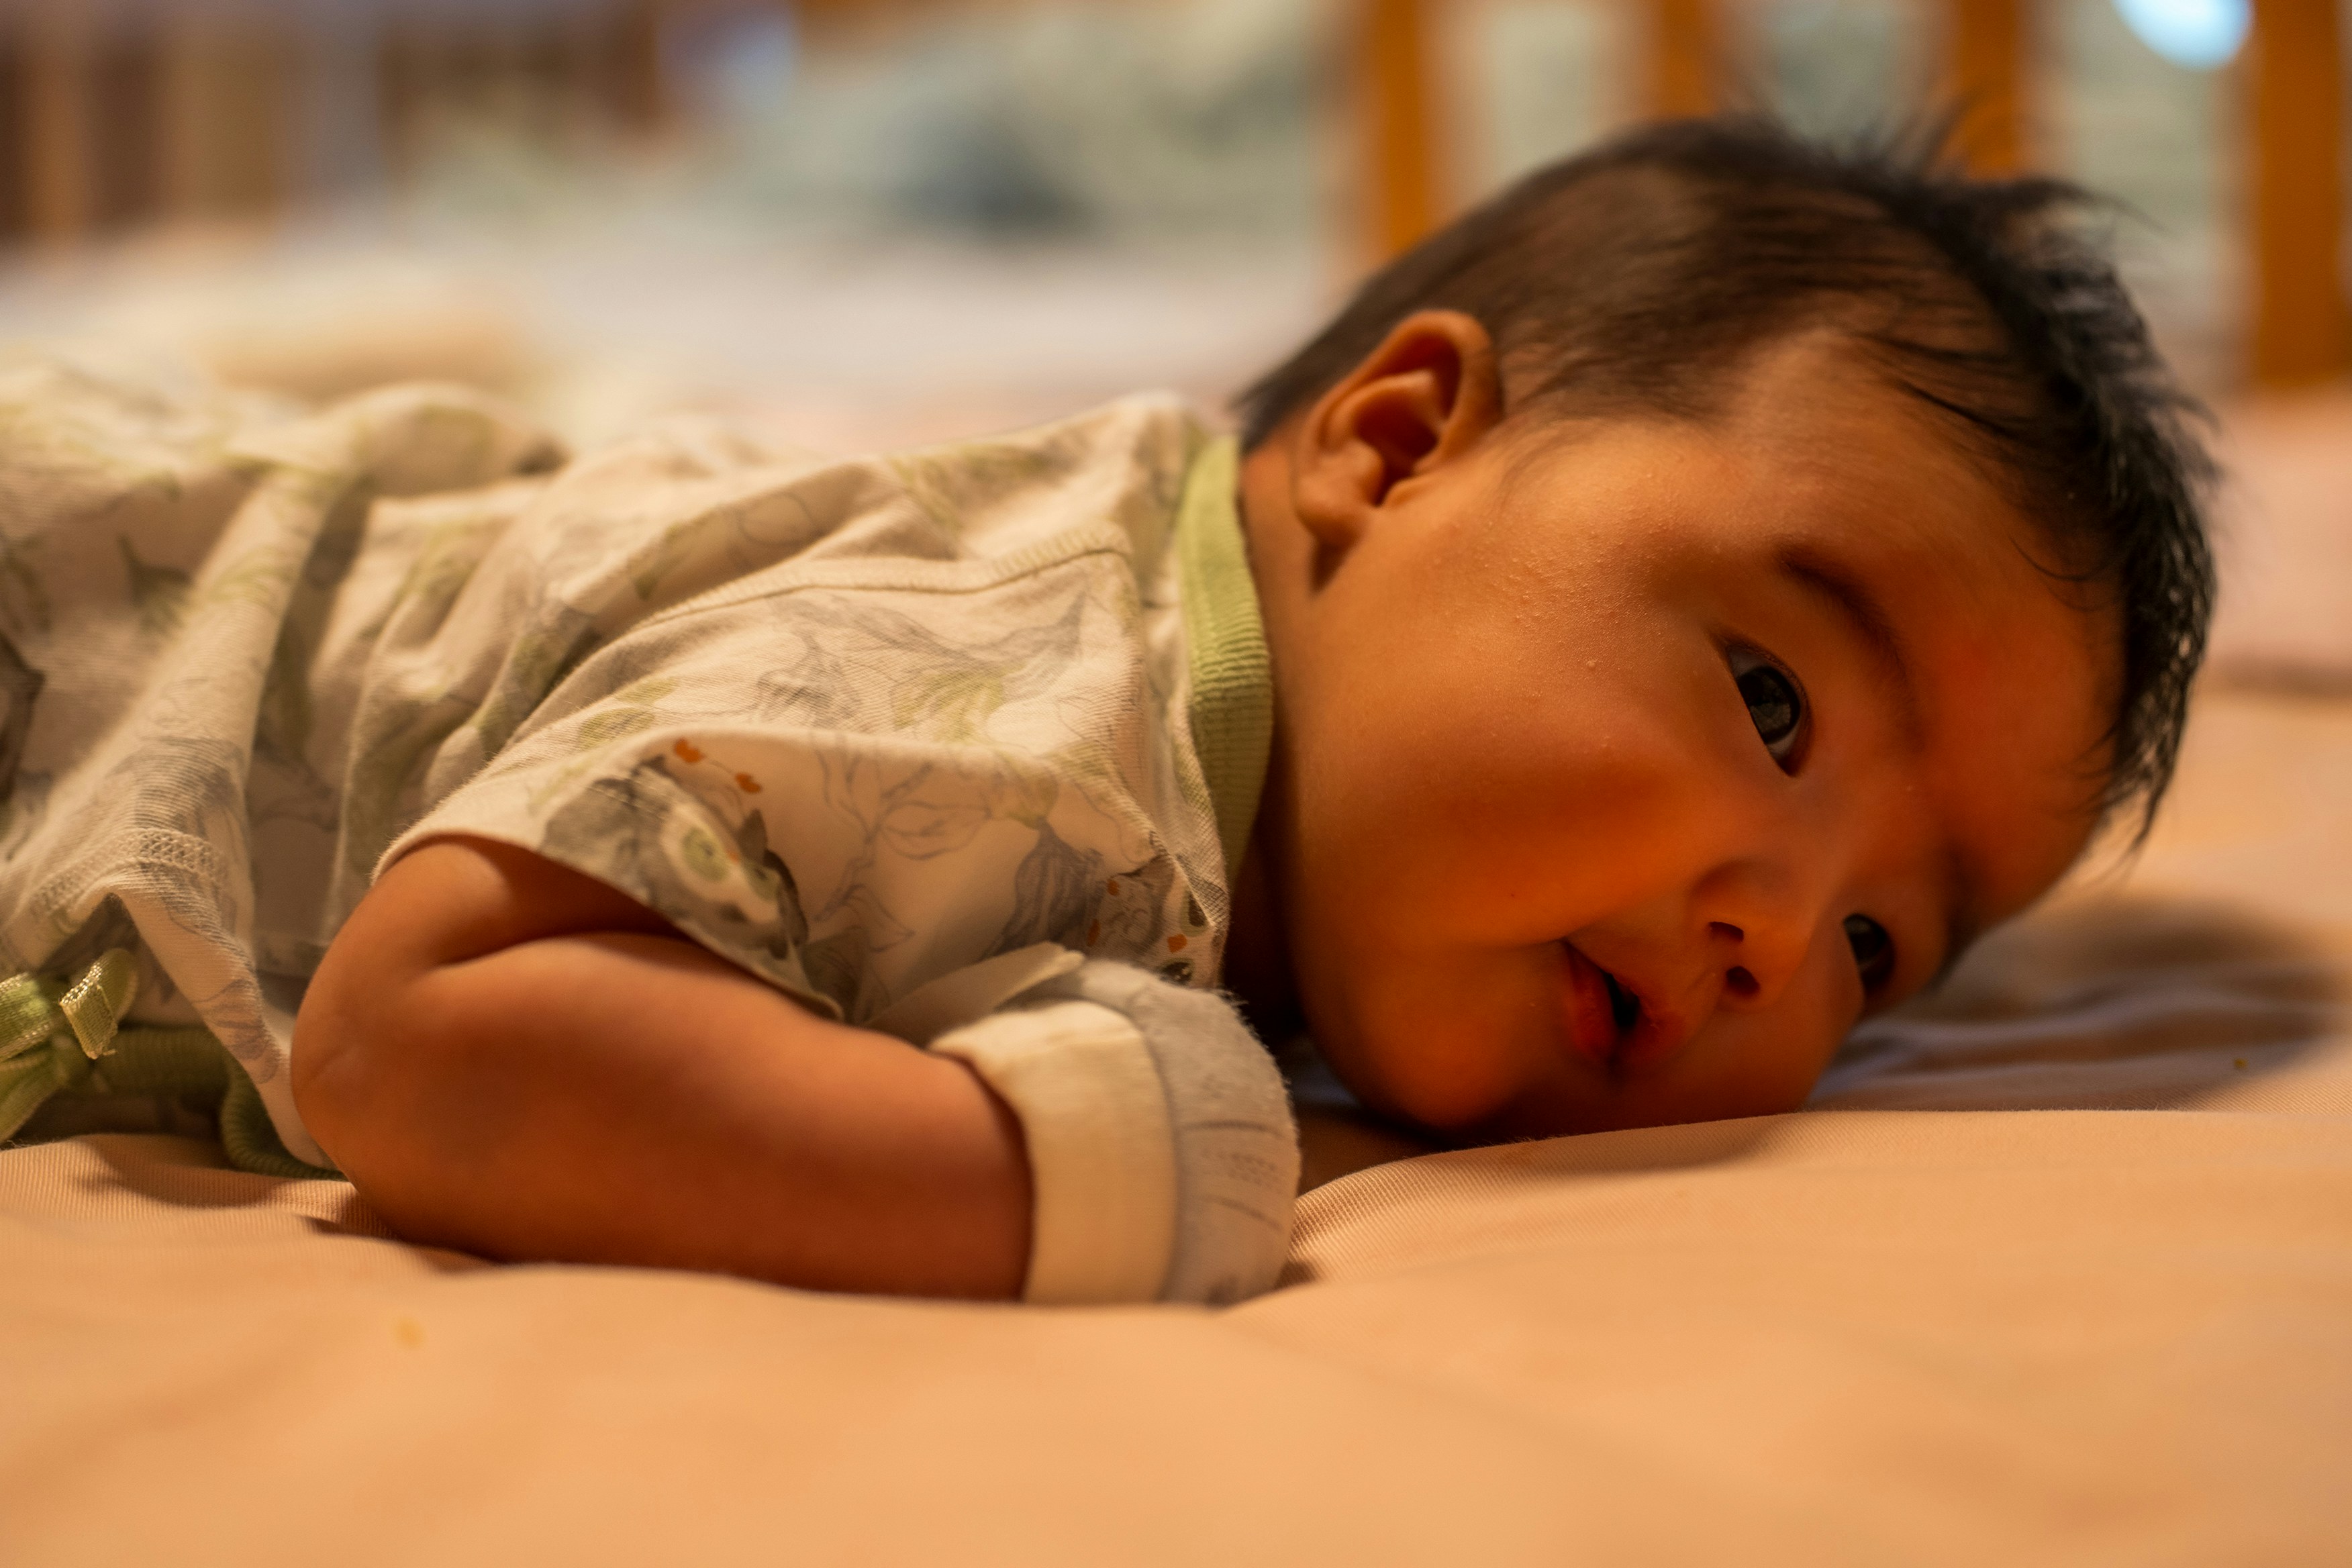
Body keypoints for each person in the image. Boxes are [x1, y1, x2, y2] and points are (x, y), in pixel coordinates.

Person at [0, 118, 2213, 1306]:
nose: (1773, 922)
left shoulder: (1243, 806)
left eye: (1879, 948)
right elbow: (427, 1036)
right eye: (1770, 698)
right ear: (1399, 442)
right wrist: (1066, 1180)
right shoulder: (1048, 676)